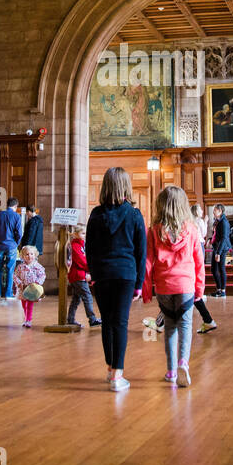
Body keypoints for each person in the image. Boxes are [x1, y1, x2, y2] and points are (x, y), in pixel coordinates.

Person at [85, 167, 146, 392]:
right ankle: (117, 376)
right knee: (120, 323)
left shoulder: (96, 214)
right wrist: (139, 283)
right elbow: (141, 252)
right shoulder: (134, 214)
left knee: (107, 323)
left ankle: (110, 368)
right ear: (126, 187)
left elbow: (88, 248)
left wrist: (92, 273)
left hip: (101, 274)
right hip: (125, 274)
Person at [141, 185, 205, 386]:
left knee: (169, 327)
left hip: (164, 286)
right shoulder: (192, 229)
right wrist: (200, 288)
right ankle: (183, 363)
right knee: (185, 325)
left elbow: (147, 261)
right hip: (185, 285)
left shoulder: (153, 231)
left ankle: (171, 372)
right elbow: (199, 261)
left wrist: (145, 288)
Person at [147, 204, 218, 334]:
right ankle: (207, 320)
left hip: (181, 266)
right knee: (185, 294)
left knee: (179, 295)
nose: (202, 211)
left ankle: (207, 320)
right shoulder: (191, 224)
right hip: (187, 266)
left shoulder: (186, 226)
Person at [66, 224, 100, 327]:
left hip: (80, 275)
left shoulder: (81, 245)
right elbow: (82, 261)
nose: (85, 235)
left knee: (77, 298)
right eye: (83, 233)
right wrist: (93, 269)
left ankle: (71, 319)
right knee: (87, 297)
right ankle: (92, 319)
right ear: (76, 234)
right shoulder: (75, 246)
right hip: (77, 275)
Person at [0, 197, 23, 300]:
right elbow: (19, 233)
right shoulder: (17, 216)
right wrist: (16, 244)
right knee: (10, 269)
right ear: (15, 206)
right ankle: (8, 294)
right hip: (11, 246)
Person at [13, 245, 46, 328]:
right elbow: (15, 276)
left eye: (31, 254)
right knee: (24, 305)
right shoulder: (20, 267)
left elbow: (42, 275)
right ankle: (26, 318)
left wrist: (38, 282)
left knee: (29, 304)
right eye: (27, 254)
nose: (29, 256)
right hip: (23, 289)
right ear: (23, 256)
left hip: (32, 289)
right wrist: (19, 283)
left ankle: (28, 320)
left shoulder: (37, 266)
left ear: (35, 255)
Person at [209, 205, 231, 297]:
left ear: (220, 211)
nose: (213, 212)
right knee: (213, 269)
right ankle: (218, 289)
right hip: (216, 247)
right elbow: (216, 235)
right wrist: (209, 240)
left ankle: (223, 290)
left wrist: (218, 252)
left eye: (215, 210)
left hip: (221, 248)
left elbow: (224, 238)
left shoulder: (224, 222)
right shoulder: (217, 221)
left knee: (221, 269)